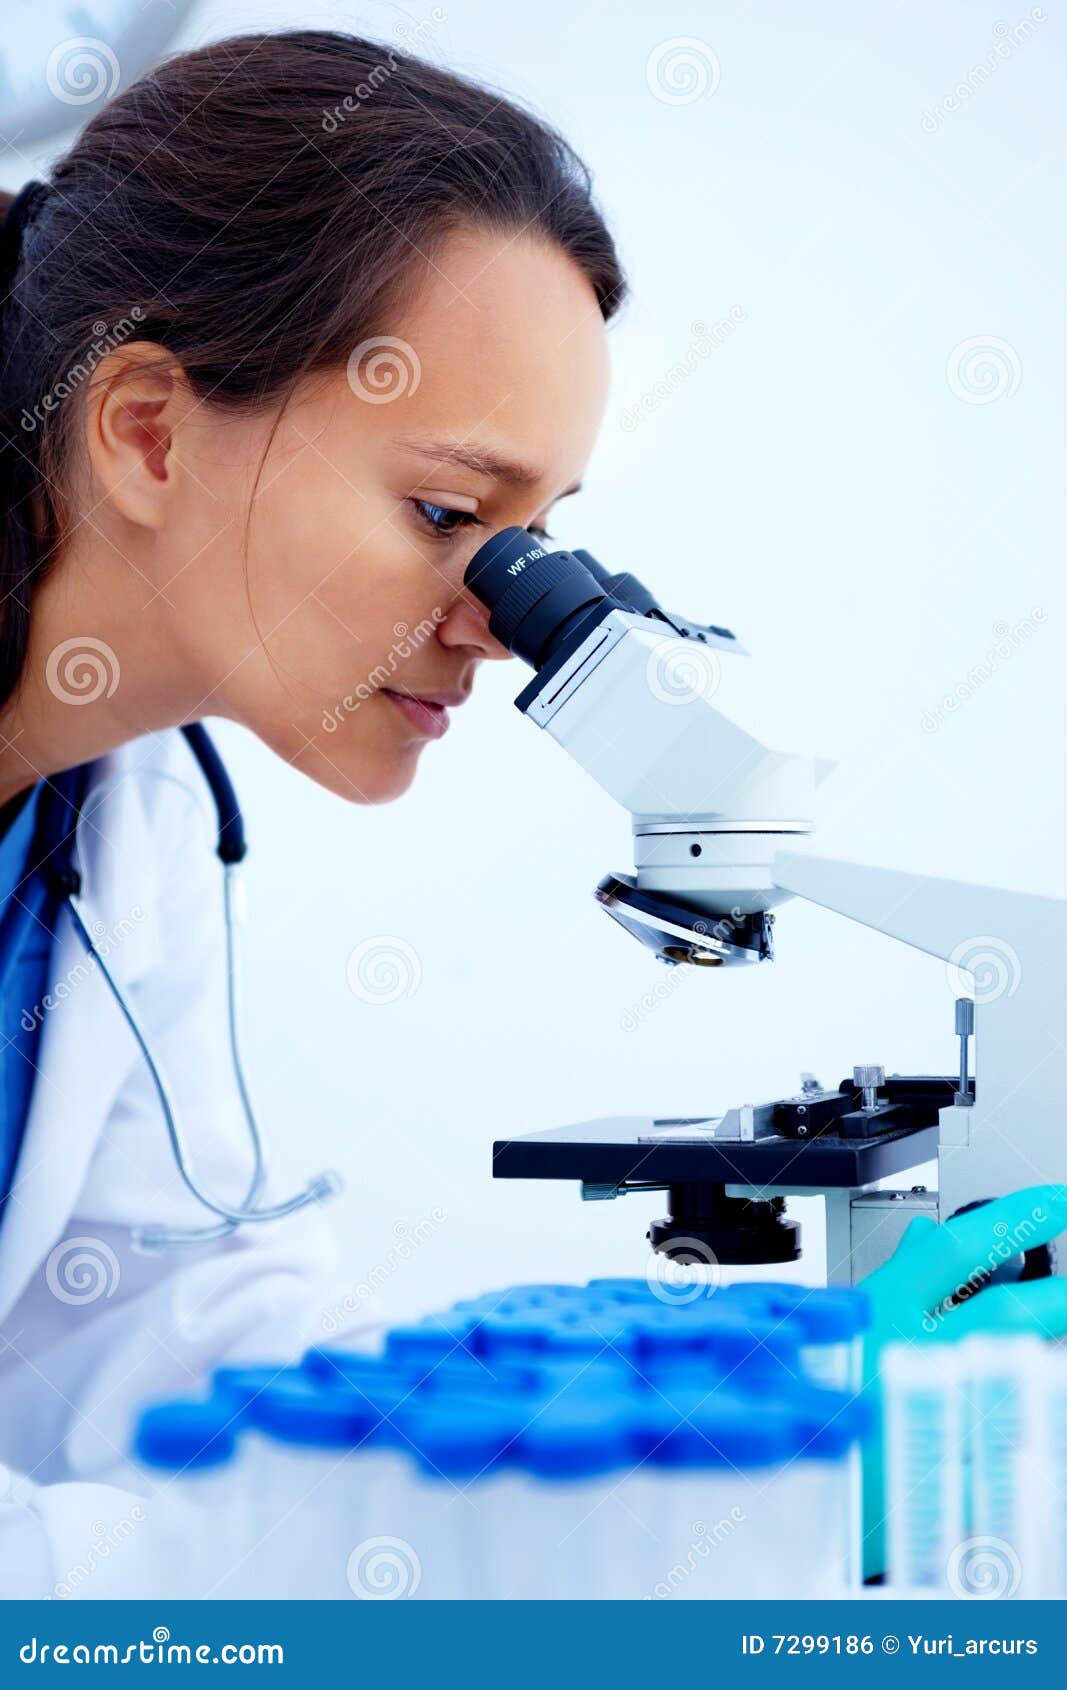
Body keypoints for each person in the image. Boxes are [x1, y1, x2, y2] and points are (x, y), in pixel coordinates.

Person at [0, 29, 619, 1594]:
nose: (503, 611)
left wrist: (483, 1437)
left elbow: (144, 1312)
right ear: (145, 428)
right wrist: (250, 1548)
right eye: (446, 514)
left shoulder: (114, 807)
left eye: (539, 536)